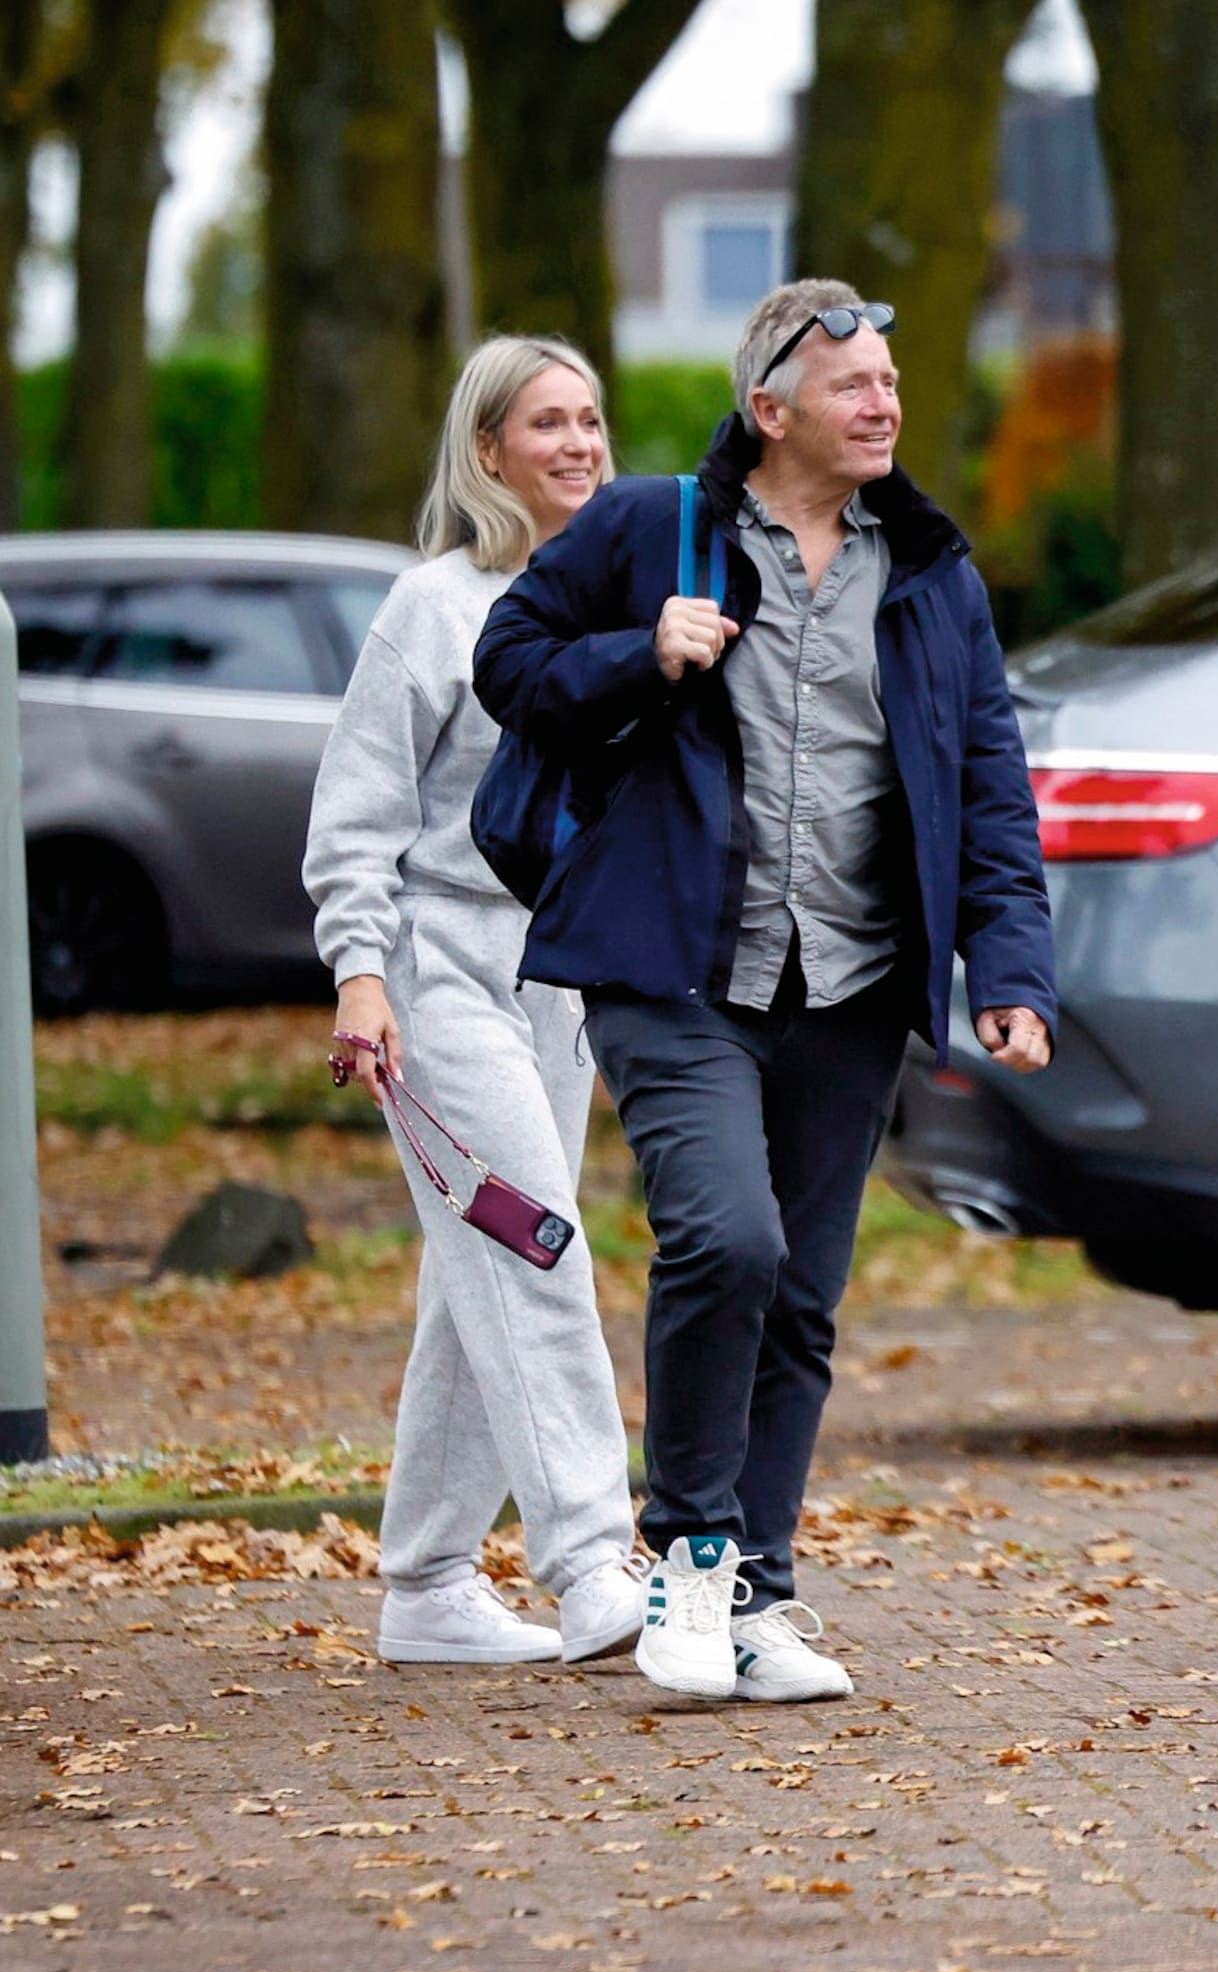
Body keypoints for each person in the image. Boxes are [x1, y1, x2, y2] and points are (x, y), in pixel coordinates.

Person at [472, 279, 1057, 1704]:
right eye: (853, 385)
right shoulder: (646, 527)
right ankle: (683, 1562)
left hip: (853, 983)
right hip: (674, 965)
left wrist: (1012, 970)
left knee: (800, 1291)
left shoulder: (929, 575)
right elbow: (509, 664)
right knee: (724, 1240)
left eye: (893, 386)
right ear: (770, 407)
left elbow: (990, 785)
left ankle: (759, 1593)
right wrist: (640, 649)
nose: (885, 406)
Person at [303, 336, 643, 1667]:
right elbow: (358, 817)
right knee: (537, 1242)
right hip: (438, 981)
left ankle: (429, 1585)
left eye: (592, 420)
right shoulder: (434, 608)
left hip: (557, 986)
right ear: (488, 449)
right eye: (547, 422)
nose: (578, 443)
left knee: (483, 1266)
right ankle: (592, 1560)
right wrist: (362, 978)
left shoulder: (618, 602)